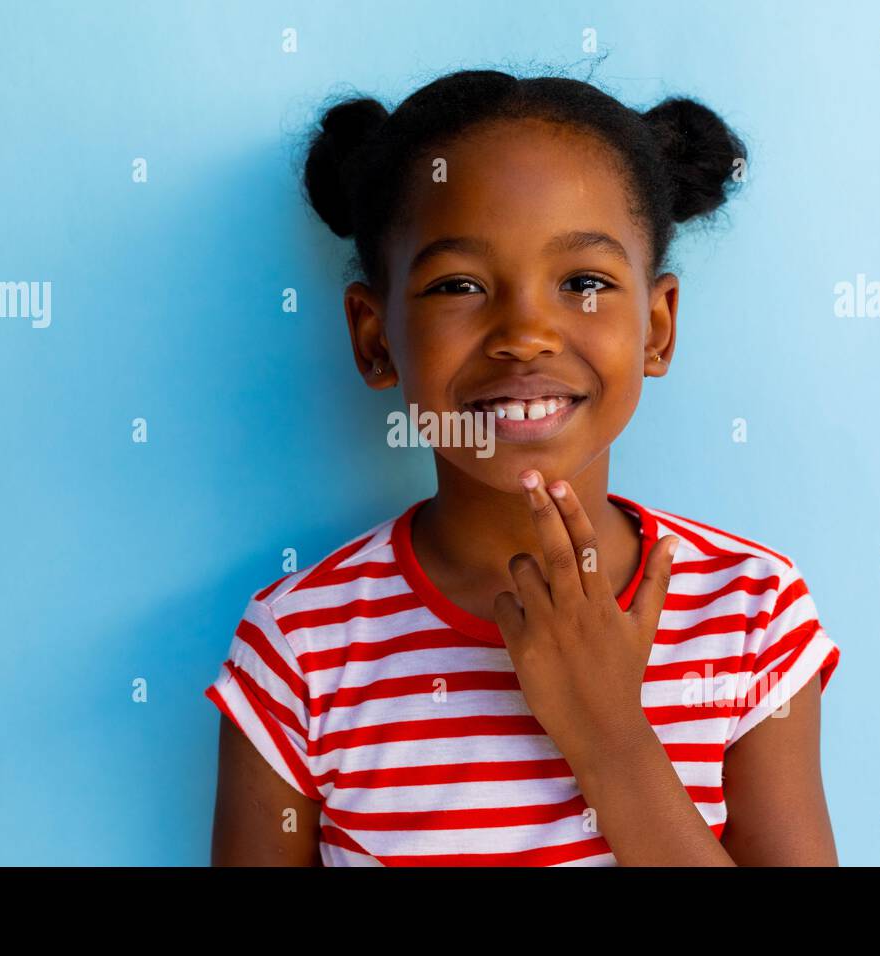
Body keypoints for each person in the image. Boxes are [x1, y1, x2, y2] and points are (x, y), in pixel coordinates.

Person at [207, 68, 840, 866]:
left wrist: (607, 731)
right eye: (459, 285)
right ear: (375, 338)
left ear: (657, 328)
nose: (526, 333)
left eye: (583, 283)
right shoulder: (299, 650)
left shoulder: (750, 615)